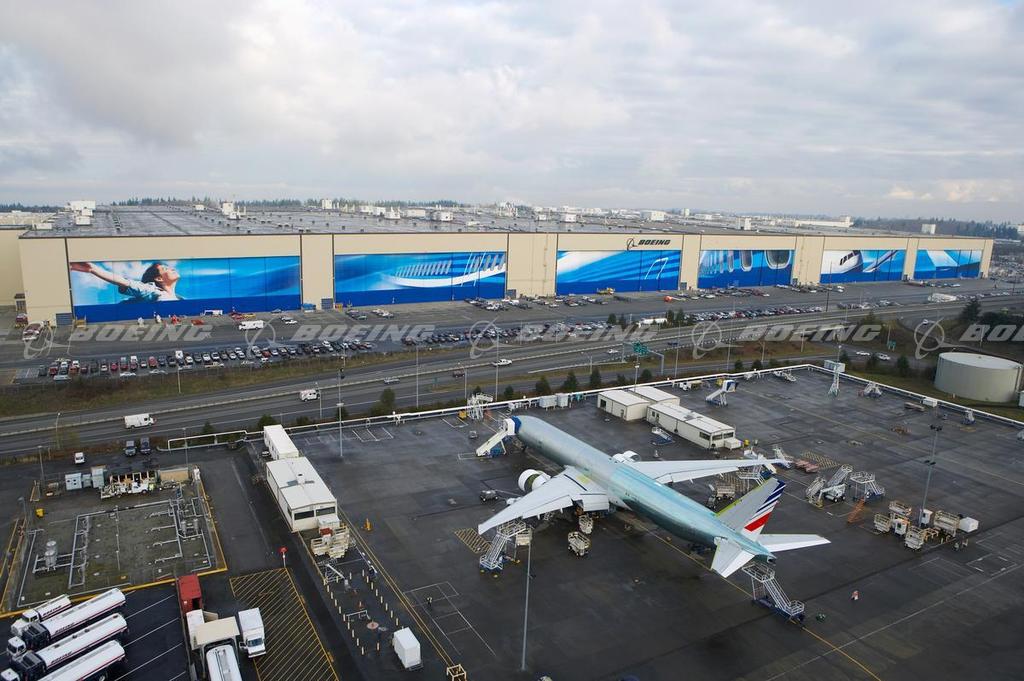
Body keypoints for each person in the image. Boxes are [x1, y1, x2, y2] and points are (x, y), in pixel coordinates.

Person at [71, 261, 182, 302]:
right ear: (159, 278)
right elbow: (125, 282)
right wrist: (93, 269)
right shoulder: (152, 291)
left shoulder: (180, 299)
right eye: (165, 268)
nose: (171, 268)